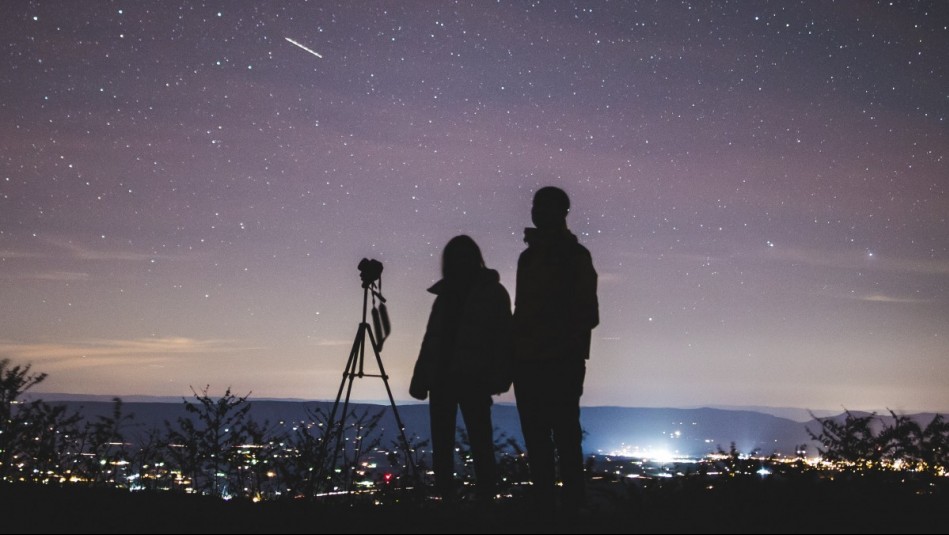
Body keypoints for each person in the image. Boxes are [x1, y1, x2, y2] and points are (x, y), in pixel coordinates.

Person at [512, 186, 599, 513]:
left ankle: (569, 510)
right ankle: (548, 508)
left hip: (558, 361)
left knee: (562, 437)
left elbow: (587, 313)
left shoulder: (573, 256)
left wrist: (550, 338)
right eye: (535, 205)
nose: (536, 211)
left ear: (561, 212)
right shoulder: (530, 256)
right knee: (540, 439)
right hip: (532, 360)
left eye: (543, 206)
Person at [409, 235, 513, 503]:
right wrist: (421, 377)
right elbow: (432, 339)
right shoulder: (448, 295)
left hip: (472, 377)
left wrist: (499, 375)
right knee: (449, 442)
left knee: (478, 440)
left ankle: (482, 497)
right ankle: (452, 497)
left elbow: (503, 337)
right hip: (446, 377)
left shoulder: (489, 292)